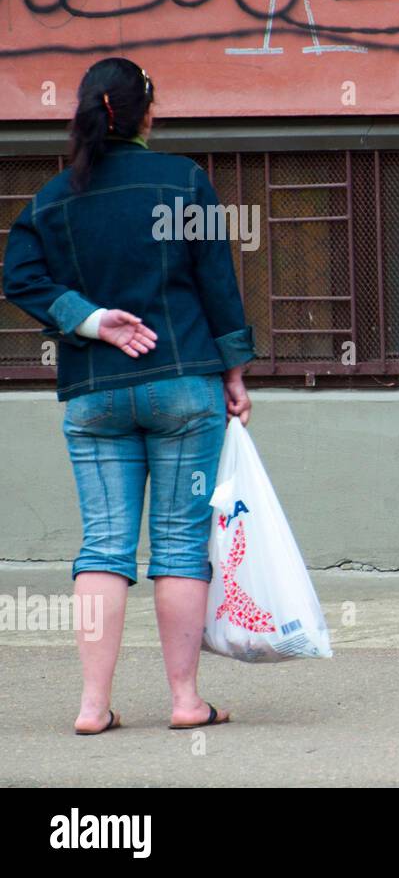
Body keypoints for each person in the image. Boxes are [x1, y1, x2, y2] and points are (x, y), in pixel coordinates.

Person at [2, 58, 255, 732]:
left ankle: (91, 706)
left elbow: (16, 274)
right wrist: (233, 368)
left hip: (93, 394)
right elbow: (217, 280)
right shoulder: (183, 183)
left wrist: (86, 317)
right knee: (178, 543)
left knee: (104, 547)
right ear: (147, 112)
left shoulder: (52, 199)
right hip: (183, 385)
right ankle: (184, 701)